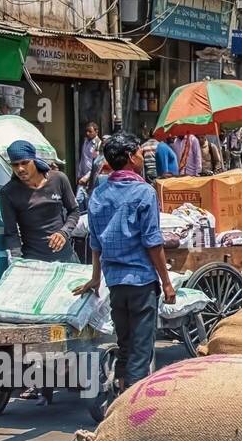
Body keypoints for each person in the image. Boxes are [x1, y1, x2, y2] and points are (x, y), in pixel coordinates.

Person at [73, 133, 177, 391]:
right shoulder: (144, 192)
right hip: (141, 282)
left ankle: (120, 399)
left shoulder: (98, 193)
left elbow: (95, 242)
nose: (143, 156)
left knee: (125, 346)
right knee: (141, 351)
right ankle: (132, 412)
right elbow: (153, 242)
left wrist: (96, 278)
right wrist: (166, 283)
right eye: (140, 152)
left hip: (115, 284)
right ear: (131, 157)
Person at [0, 140, 81, 263]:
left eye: (25, 163)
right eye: (15, 165)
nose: (20, 168)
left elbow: (74, 211)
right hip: (34, 262)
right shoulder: (8, 192)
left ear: (34, 160)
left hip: (66, 258)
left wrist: (64, 233)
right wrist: (17, 262)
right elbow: (11, 233)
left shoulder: (59, 179)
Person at [77, 122, 101, 192]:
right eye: (87, 131)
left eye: (90, 131)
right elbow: (83, 159)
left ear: (96, 132)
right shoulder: (85, 141)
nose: (87, 133)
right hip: (82, 177)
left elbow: (97, 164)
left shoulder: (98, 144)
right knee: (78, 200)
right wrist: (79, 175)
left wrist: (87, 177)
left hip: (92, 177)